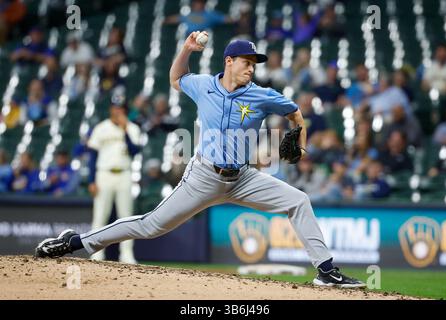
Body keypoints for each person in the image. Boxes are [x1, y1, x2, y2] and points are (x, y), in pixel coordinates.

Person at [35, 35, 365, 288]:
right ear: (230, 61)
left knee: (298, 200)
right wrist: (186, 50)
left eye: (255, 63)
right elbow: (176, 79)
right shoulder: (204, 85)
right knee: (150, 226)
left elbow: (295, 112)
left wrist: (300, 143)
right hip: (203, 176)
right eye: (246, 61)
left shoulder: (262, 95)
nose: (251, 67)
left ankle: (325, 271)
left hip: (243, 179)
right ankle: (77, 242)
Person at [85, 93, 141, 264]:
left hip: (124, 174)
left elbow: (134, 151)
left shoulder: (132, 129)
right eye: (115, 108)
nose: (117, 111)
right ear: (110, 109)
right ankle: (96, 254)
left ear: (125, 110)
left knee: (126, 217)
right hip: (104, 174)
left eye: (121, 108)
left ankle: (126, 255)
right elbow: (92, 156)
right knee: (100, 216)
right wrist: (91, 180)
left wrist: (125, 130)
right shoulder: (101, 128)